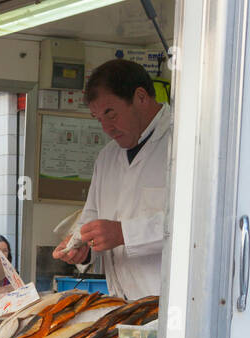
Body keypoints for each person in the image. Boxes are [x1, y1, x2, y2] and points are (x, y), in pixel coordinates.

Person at [52, 59, 171, 300]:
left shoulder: (185, 144)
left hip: (171, 304)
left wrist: (125, 233)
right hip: (123, 303)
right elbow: (91, 217)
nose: (106, 127)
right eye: (98, 119)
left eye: (111, 114)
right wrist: (82, 248)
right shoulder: (107, 157)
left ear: (140, 97)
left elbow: (196, 224)